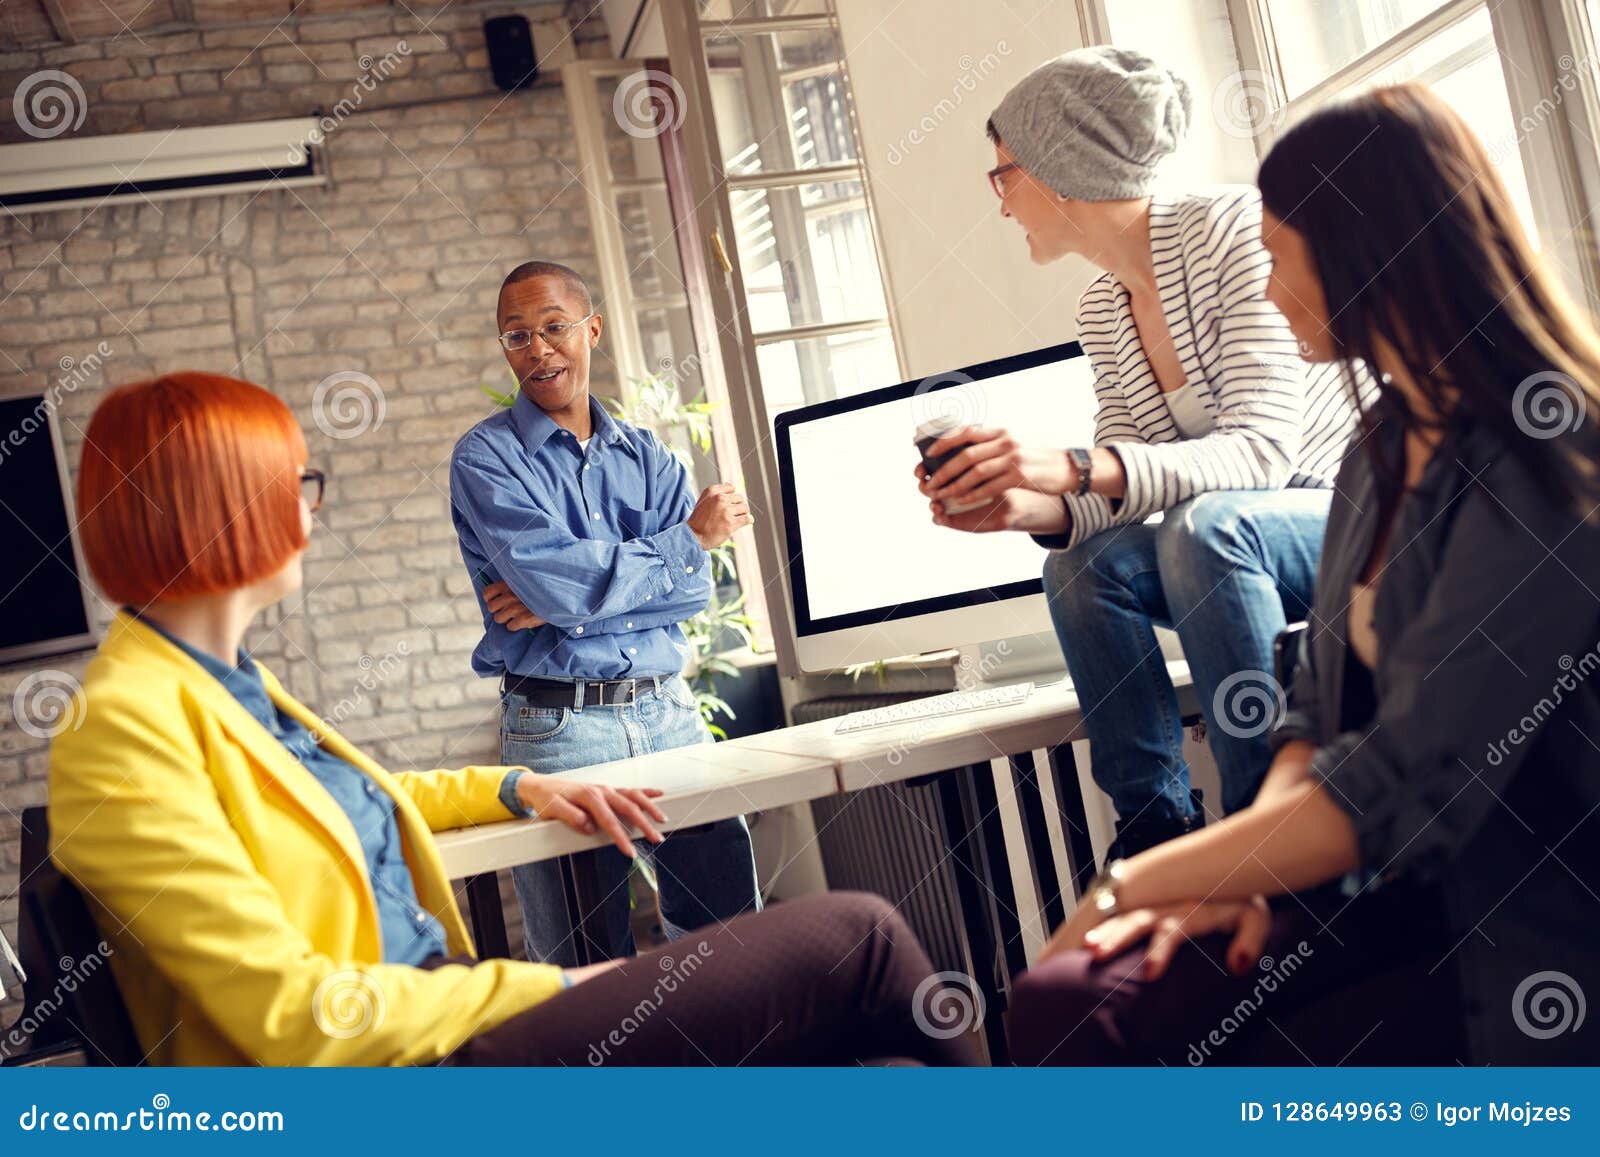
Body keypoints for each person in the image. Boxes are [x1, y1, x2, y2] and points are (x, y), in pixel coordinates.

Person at [46, 371, 975, 1067]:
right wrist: (565, 984)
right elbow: (293, 1017)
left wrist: (517, 782)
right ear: (222, 509)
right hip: (413, 1062)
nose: (311, 509)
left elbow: (329, 801)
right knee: (861, 937)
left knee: (811, 1013)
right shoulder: (123, 726)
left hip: (444, 1017)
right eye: (296, 483)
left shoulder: (220, 680)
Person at [1006, 83, 1600, 1066]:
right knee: (1076, 993)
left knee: (1096, 992)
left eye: (1281, 253)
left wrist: (1140, 881)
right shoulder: (1379, 445)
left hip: (1507, 924)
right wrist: (1242, 869)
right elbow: (1316, 717)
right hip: (1373, 876)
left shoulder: (1551, 454)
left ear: (1369, 248)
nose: (1269, 287)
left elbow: (1417, 767)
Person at [918, 47, 1362, 857]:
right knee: (1079, 565)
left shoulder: (1230, 229)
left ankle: (1262, 825)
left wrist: (1076, 469)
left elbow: (1264, 450)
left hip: (1339, 518)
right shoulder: (1104, 305)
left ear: (1059, 169)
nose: (1002, 205)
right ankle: (1156, 825)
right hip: (1225, 535)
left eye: (1002, 176)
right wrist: (1034, 509)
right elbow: (1130, 476)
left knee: (1206, 528)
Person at [449, 261, 759, 966]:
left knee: (729, 943)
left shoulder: (649, 455)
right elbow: (648, 576)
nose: (538, 349)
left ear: (591, 329)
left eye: (554, 327)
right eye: (517, 335)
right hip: (558, 729)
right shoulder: (485, 458)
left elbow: (691, 595)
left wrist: (569, 604)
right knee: (581, 970)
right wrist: (686, 541)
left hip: (668, 712)